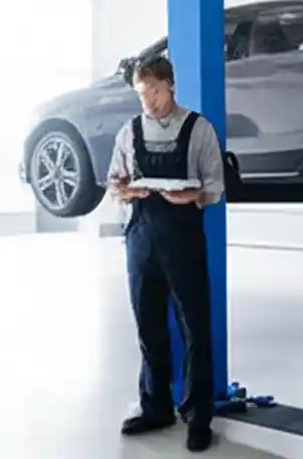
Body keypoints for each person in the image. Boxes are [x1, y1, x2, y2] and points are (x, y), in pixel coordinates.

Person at [108, 54, 224, 453]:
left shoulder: (199, 129)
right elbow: (113, 182)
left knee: (195, 328)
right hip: (140, 239)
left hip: (183, 239)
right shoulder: (129, 131)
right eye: (141, 94)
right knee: (148, 327)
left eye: (154, 92)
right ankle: (155, 406)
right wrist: (124, 190)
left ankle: (198, 415)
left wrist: (191, 194)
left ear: (170, 85)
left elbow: (215, 187)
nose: (149, 102)